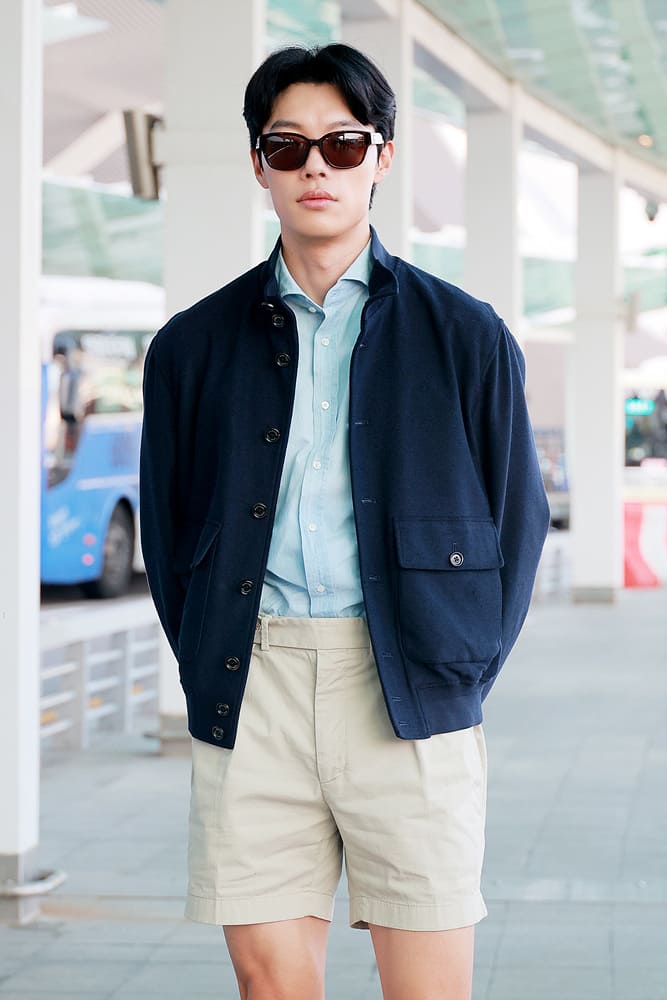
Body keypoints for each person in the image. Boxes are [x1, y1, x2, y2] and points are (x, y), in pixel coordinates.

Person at [140, 42, 550, 1000]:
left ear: (383, 156)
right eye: (285, 148)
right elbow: (169, 539)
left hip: (408, 689)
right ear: (257, 165)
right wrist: (210, 654)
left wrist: (456, 666)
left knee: (427, 987)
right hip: (256, 685)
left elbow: (516, 523)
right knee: (271, 985)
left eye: (340, 142)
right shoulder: (192, 347)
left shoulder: (465, 335)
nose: (314, 166)